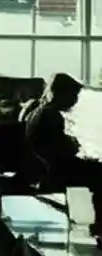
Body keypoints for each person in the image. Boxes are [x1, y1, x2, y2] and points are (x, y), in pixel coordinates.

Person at [22, 73, 102, 242]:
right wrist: (74, 147)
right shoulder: (52, 116)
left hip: (43, 168)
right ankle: (100, 225)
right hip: (55, 171)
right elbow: (63, 152)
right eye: (73, 96)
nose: (74, 101)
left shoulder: (36, 111)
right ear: (61, 94)